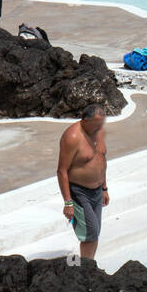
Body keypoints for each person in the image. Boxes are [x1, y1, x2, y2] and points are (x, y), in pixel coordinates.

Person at [57, 104, 110, 262]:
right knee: (89, 233)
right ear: (85, 121)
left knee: (94, 233)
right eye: (97, 124)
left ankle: (88, 266)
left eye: (102, 123)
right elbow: (61, 171)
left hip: (97, 190)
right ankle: (85, 270)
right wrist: (68, 203)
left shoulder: (98, 131)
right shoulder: (72, 137)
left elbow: (101, 160)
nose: (100, 127)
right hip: (79, 193)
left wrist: (104, 188)